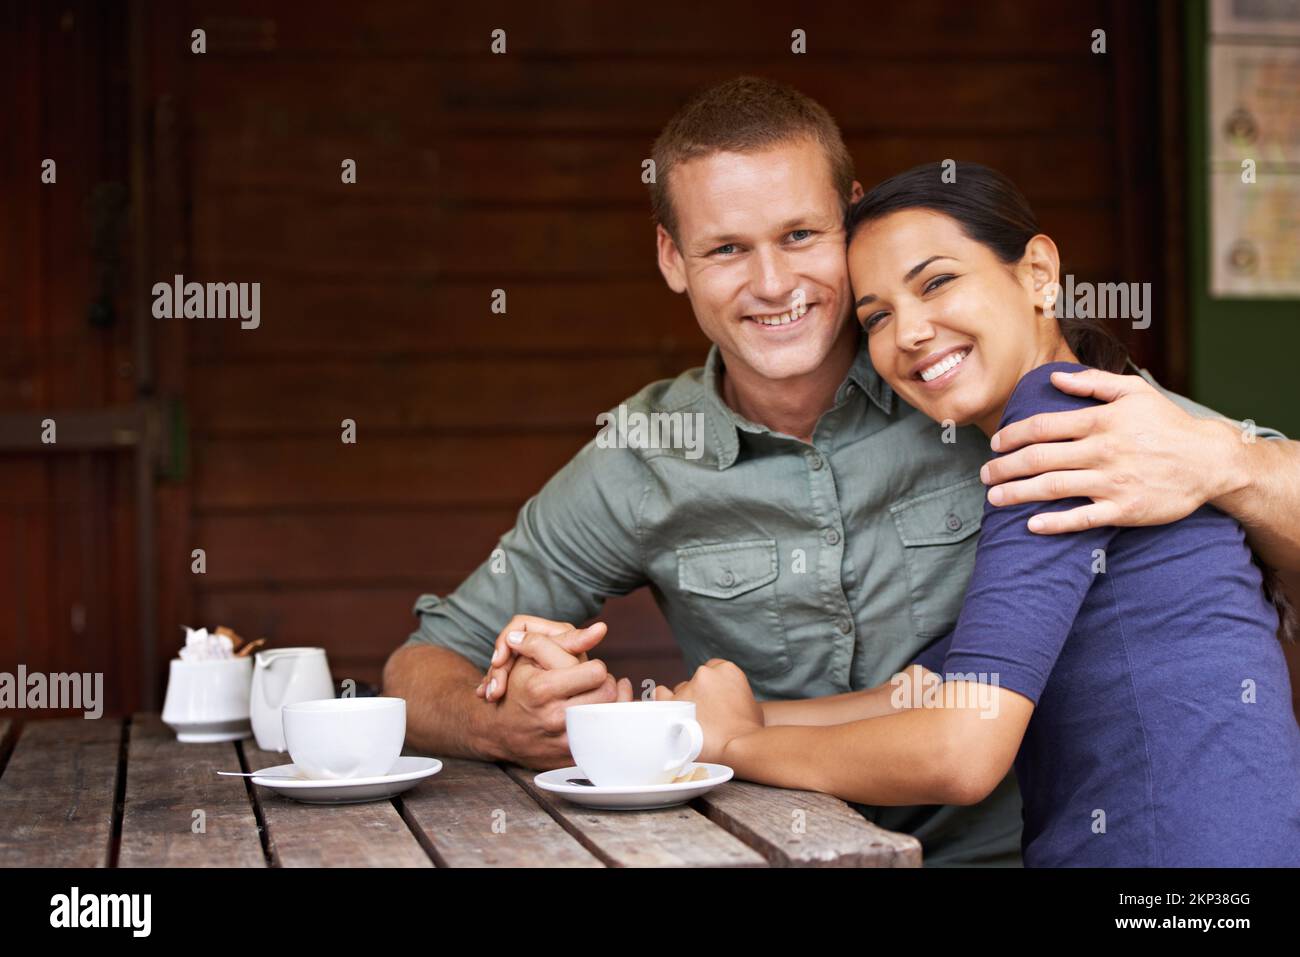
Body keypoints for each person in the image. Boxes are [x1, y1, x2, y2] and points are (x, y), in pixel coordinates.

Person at [384, 77, 1300, 866]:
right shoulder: (642, 453)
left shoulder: (1000, 397)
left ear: (849, 220)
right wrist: (517, 719)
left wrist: (1230, 460)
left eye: (798, 234)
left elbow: (963, 740)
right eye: (727, 248)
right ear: (673, 259)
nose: (772, 283)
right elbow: (417, 668)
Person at [649, 161, 1300, 866]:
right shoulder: (1080, 423)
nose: (910, 332)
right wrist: (726, 716)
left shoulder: (1061, 430)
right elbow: (931, 691)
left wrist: (737, 743)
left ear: (1038, 272)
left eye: (936, 282)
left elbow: (962, 749)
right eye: (877, 317)